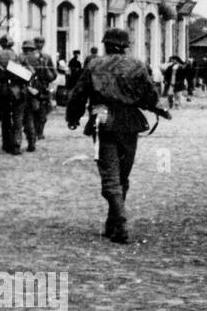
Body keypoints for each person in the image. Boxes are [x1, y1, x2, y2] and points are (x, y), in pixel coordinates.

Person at [66, 26, 168, 244]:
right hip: (130, 123)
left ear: (106, 44)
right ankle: (113, 222)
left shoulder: (94, 64)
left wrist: (72, 117)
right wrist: (159, 109)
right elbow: (149, 94)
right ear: (125, 47)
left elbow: (78, 94)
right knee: (123, 174)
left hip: (103, 122)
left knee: (110, 175)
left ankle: (119, 221)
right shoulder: (137, 65)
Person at [0, 35, 28, 155]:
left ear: (1, 44)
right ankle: (16, 146)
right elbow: (25, 74)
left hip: (3, 90)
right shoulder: (17, 56)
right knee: (17, 119)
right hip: (16, 89)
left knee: (5, 118)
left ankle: (6, 144)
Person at [29, 36, 58, 141]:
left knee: (43, 113)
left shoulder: (47, 57)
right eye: (37, 42)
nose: (39, 44)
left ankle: (39, 132)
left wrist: (48, 75)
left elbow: (54, 73)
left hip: (43, 87)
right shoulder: (30, 57)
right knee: (32, 111)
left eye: (41, 42)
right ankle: (32, 133)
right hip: (31, 87)